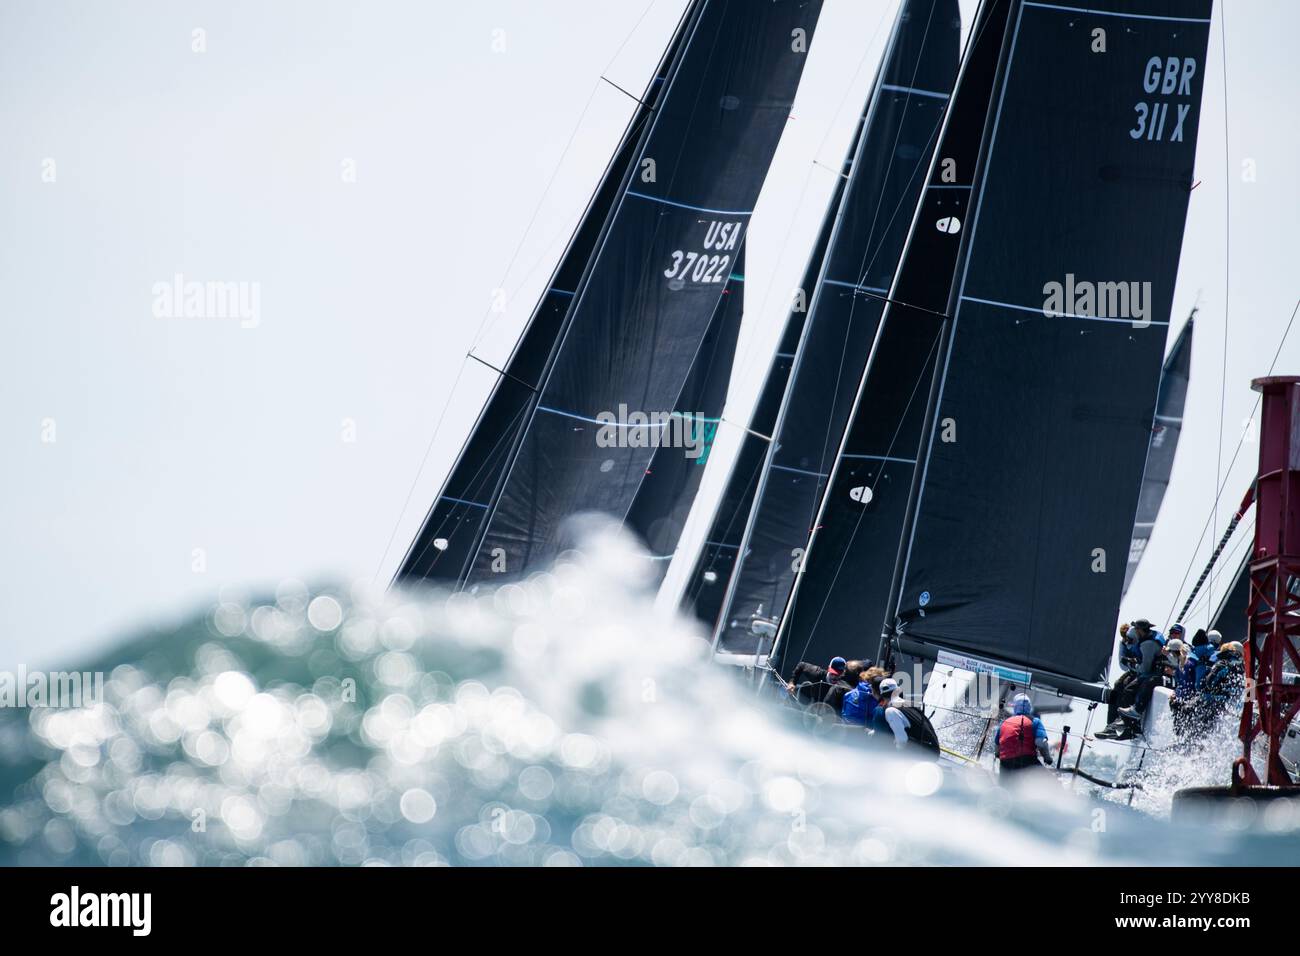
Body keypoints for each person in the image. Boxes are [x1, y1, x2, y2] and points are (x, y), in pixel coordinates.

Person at [1186, 640, 1246, 736]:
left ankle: (1189, 746)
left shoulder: (1222, 663)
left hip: (1213, 702)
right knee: (1213, 733)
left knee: (1199, 731)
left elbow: (1210, 682)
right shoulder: (1243, 668)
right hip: (1230, 706)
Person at [870, 677, 941, 753]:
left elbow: (902, 740)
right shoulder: (909, 704)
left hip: (926, 753)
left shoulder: (891, 711)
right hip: (933, 749)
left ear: (882, 696)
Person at [993, 693, 1053, 774]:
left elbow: (997, 747)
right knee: (1048, 781)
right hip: (1027, 762)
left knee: (1004, 785)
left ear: (1015, 707)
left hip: (1005, 764)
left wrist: (998, 755)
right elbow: (1040, 742)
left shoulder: (1004, 723)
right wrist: (1047, 758)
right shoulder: (1035, 721)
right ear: (1029, 707)